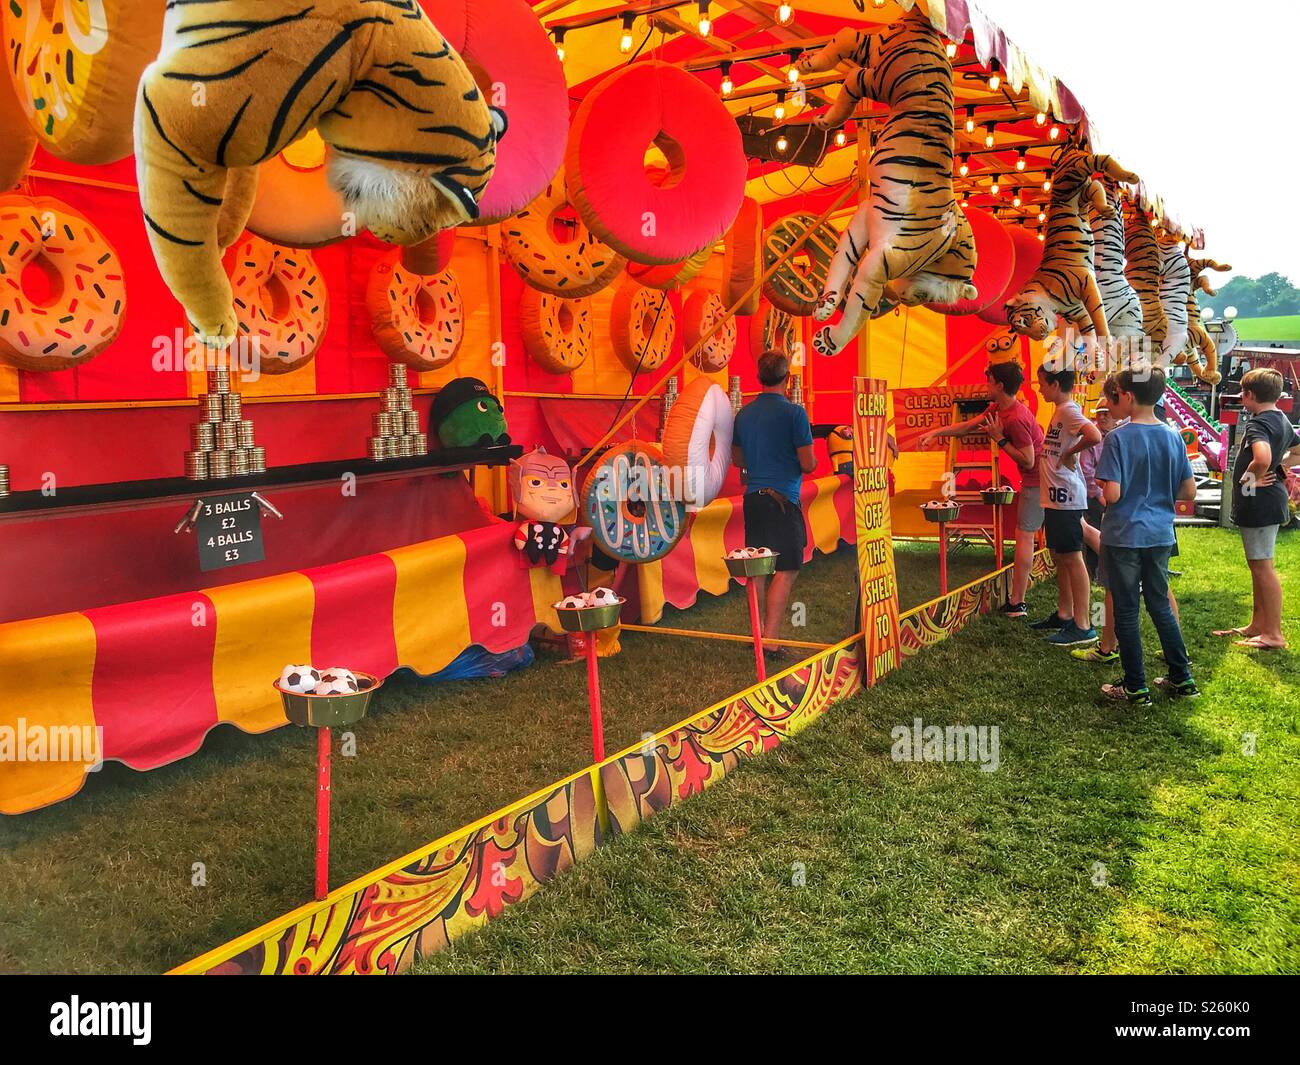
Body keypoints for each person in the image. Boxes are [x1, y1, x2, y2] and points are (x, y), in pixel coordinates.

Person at [1095, 367, 1199, 705]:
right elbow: (1189, 491)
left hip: (1124, 534)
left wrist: (1104, 489)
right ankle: (1182, 677)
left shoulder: (1118, 438)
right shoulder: (1173, 436)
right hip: (1160, 534)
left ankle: (1135, 686)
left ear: (1127, 395)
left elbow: (1112, 495)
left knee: (1126, 609)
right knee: (1159, 604)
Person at [918, 361, 1044, 617]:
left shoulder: (1017, 417)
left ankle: (1017, 602)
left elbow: (1028, 460)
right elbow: (967, 426)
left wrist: (999, 439)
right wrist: (935, 433)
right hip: (1041, 480)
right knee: (1073, 530)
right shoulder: (999, 408)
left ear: (999, 385)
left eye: (989, 381)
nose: (985, 385)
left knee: (1024, 538)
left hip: (1038, 481)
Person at [732, 351, 817, 663]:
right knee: (787, 568)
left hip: (753, 499)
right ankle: (770, 641)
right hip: (783, 501)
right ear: (788, 379)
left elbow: (738, 460)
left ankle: (757, 636)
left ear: (758, 377)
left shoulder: (743, 414)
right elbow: (808, 464)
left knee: (757, 569)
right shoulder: (795, 414)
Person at [1213, 368, 1300, 650]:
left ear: (1250, 396)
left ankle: (1273, 634)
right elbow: (1295, 450)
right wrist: (1281, 461)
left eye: (1242, 392)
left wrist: (1251, 477)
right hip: (1268, 501)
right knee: (1258, 564)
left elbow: (1260, 457)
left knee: (1263, 566)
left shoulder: (1257, 423)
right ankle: (1258, 624)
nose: (1241, 396)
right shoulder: (1282, 419)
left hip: (1261, 503)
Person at [1031, 366, 1103, 647]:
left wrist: (1071, 453)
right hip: (1055, 497)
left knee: (1073, 557)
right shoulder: (1061, 411)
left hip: (1066, 498)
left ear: (1055, 383)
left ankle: (1084, 625)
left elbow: (1094, 435)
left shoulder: (1069, 410)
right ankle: (1065, 614)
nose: (1039, 389)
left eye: (1042, 384)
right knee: (1060, 556)